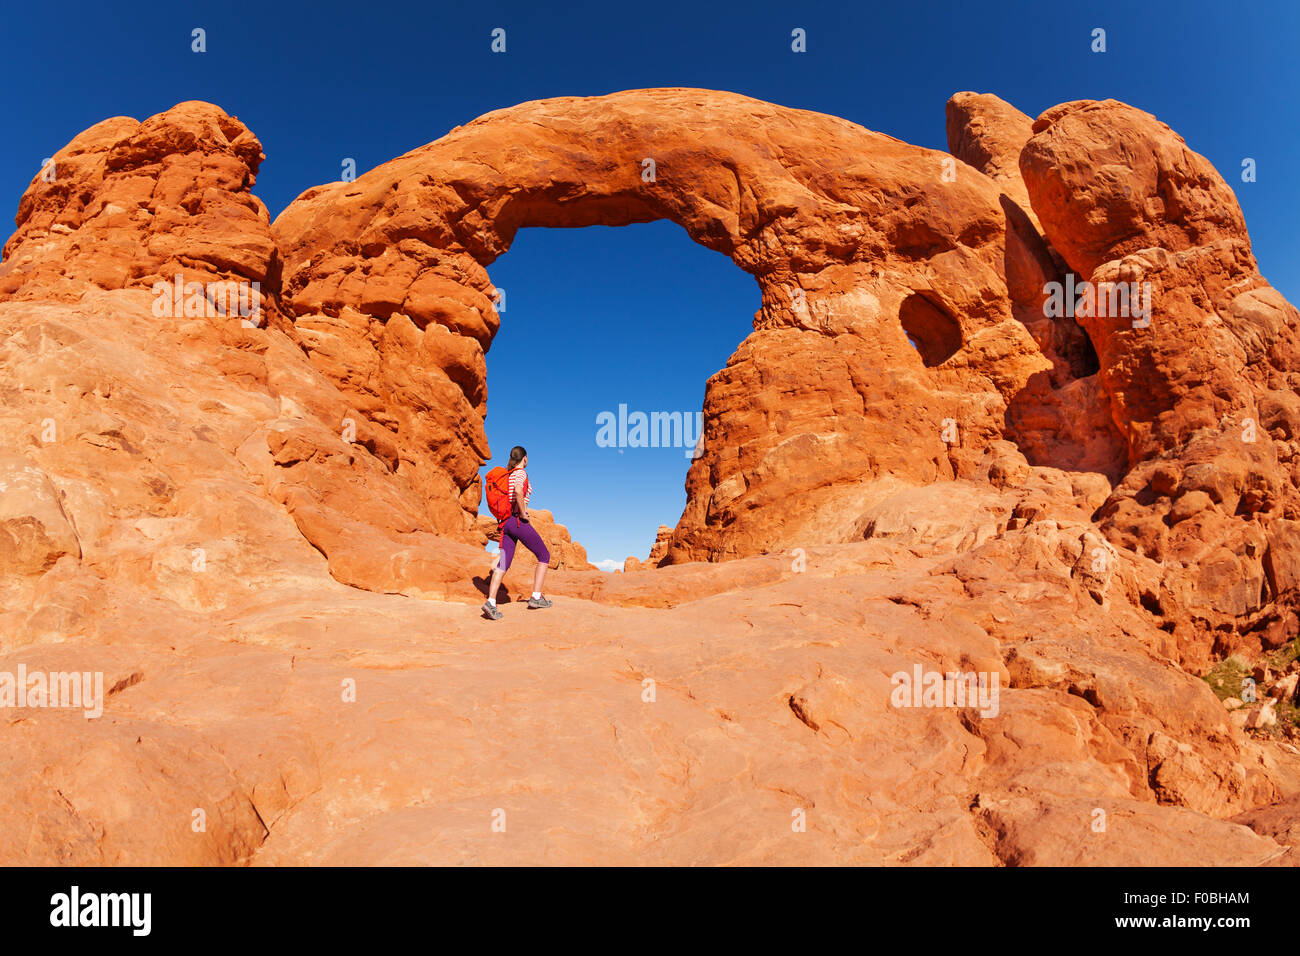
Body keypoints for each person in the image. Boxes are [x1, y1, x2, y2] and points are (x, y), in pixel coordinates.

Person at [482, 446, 552, 620]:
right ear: (525, 458)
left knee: (503, 563)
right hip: (517, 520)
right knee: (544, 555)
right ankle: (536, 597)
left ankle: (491, 602)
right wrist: (523, 513)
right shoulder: (520, 474)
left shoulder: (508, 475)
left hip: (506, 524)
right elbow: (519, 491)